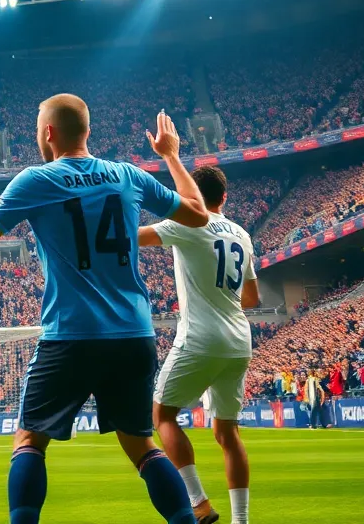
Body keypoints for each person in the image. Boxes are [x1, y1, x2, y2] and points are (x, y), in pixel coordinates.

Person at [0, 99, 209, 524]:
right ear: (87, 131)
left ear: (48, 133)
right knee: (141, 445)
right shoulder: (128, 175)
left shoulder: (37, 180)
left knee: (29, 440)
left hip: (70, 335)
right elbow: (197, 214)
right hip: (133, 335)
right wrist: (171, 156)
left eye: (38, 128)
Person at [138, 165, 258, 524]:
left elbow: (135, 237)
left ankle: (199, 502)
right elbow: (251, 298)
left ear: (191, 194)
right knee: (227, 432)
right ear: (224, 197)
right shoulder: (242, 234)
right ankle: (241, 520)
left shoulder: (189, 222)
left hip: (200, 337)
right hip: (239, 340)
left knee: (162, 416)